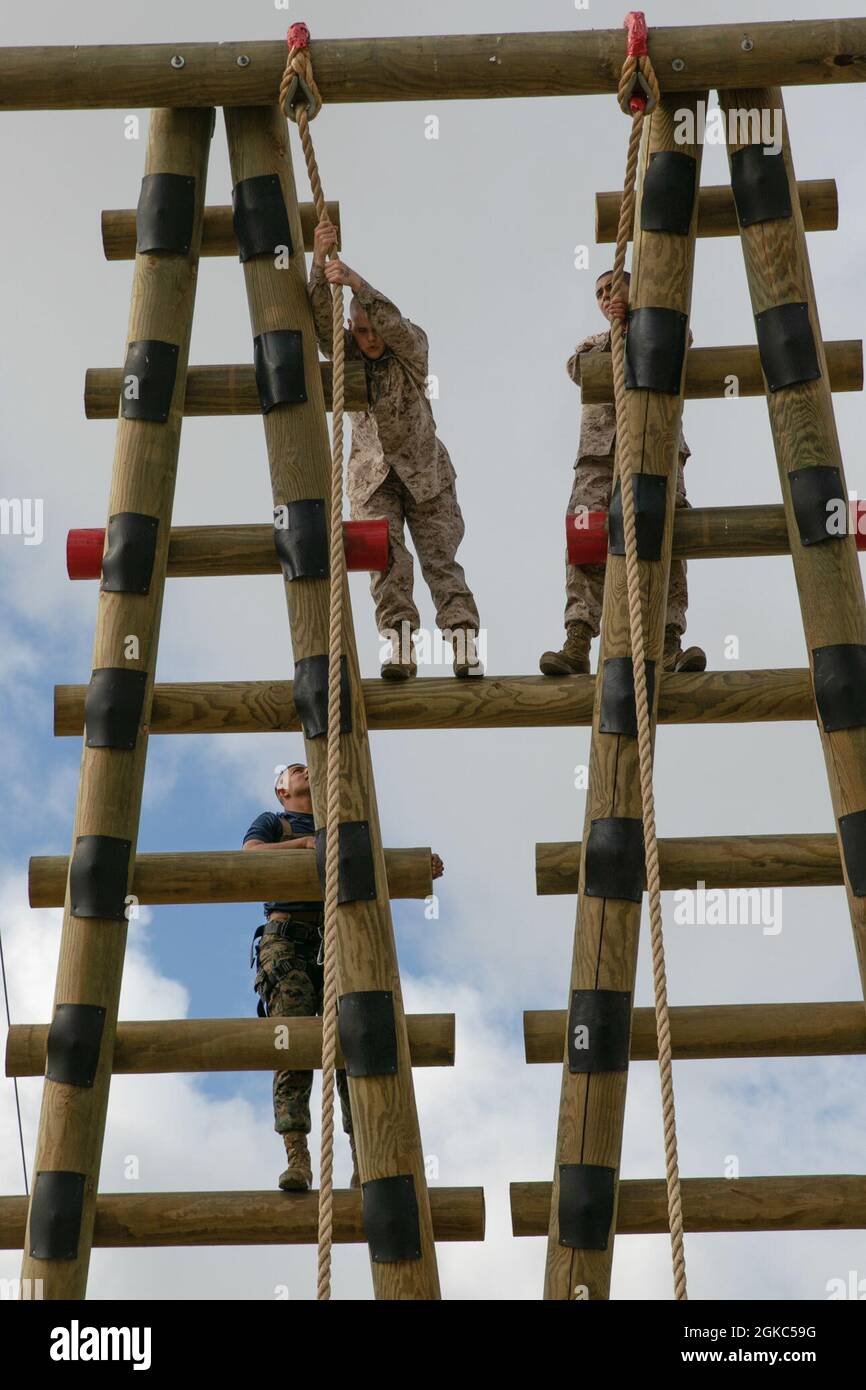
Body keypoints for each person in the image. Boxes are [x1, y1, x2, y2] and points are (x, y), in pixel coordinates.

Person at [243, 762, 444, 1192]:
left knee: (356, 1043)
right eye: (295, 771)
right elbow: (252, 855)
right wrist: (302, 845)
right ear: (282, 792)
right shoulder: (274, 821)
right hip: (287, 944)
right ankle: (298, 1156)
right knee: (294, 1043)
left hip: (336, 942)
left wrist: (415, 865)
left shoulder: (340, 821)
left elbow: (369, 864)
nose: (305, 771)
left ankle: (361, 1156)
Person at [307, 220, 483, 680]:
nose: (370, 339)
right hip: (374, 477)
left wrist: (358, 283)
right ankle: (401, 649)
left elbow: (394, 326)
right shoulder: (347, 355)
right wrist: (318, 260)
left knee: (441, 563)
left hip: (426, 474)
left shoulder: (409, 347)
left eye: (374, 330)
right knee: (386, 564)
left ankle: (463, 646)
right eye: (360, 331)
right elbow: (321, 326)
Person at [540, 269, 706, 677]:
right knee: (585, 535)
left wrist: (637, 321)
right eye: (598, 292)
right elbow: (577, 368)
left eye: (613, 287)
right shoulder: (594, 344)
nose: (605, 296)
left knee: (666, 534)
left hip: (656, 450)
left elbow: (678, 341)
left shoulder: (666, 328)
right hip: (600, 456)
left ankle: (669, 642)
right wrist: (618, 329)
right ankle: (578, 639)